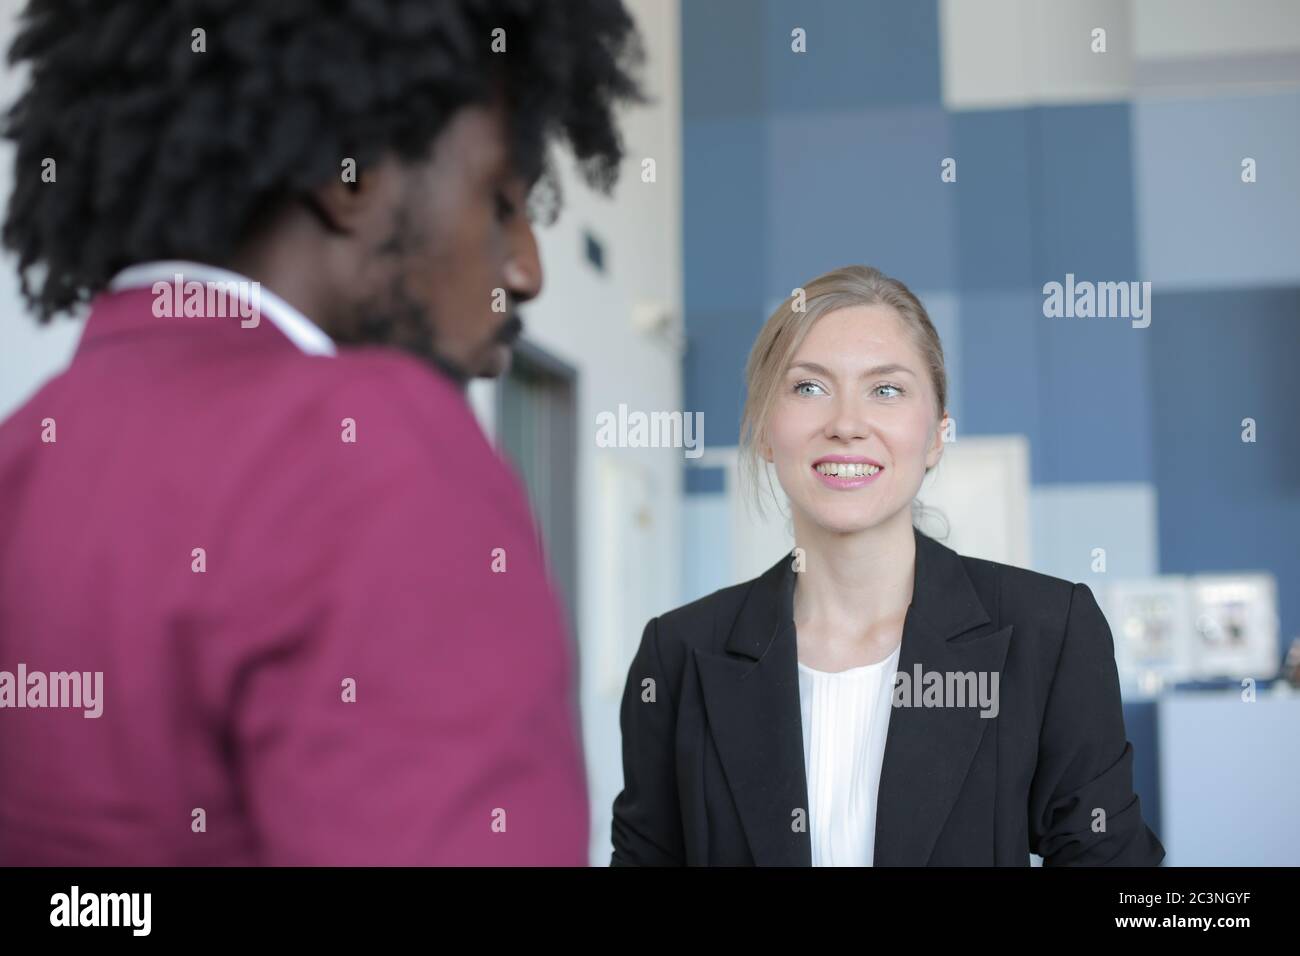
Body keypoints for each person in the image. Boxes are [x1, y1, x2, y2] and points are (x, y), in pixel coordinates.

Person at [0, 0, 644, 865]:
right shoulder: (372, 447)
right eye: (499, 199)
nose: (525, 270)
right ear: (353, 177)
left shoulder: (25, 448)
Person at [611, 264, 1166, 866]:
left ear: (937, 434)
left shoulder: (1050, 631)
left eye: (886, 390)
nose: (846, 425)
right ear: (766, 431)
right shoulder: (677, 654)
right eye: (809, 387)